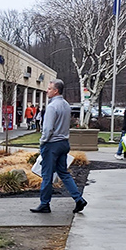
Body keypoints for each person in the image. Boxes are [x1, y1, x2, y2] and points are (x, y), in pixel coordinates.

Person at [31, 80, 87, 214]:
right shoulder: (66, 105)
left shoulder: (52, 107)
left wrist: (43, 141)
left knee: (47, 175)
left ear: (56, 91)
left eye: (49, 89)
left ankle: (45, 203)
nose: (47, 91)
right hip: (64, 142)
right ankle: (78, 198)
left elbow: (48, 128)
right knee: (63, 173)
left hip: (51, 144)